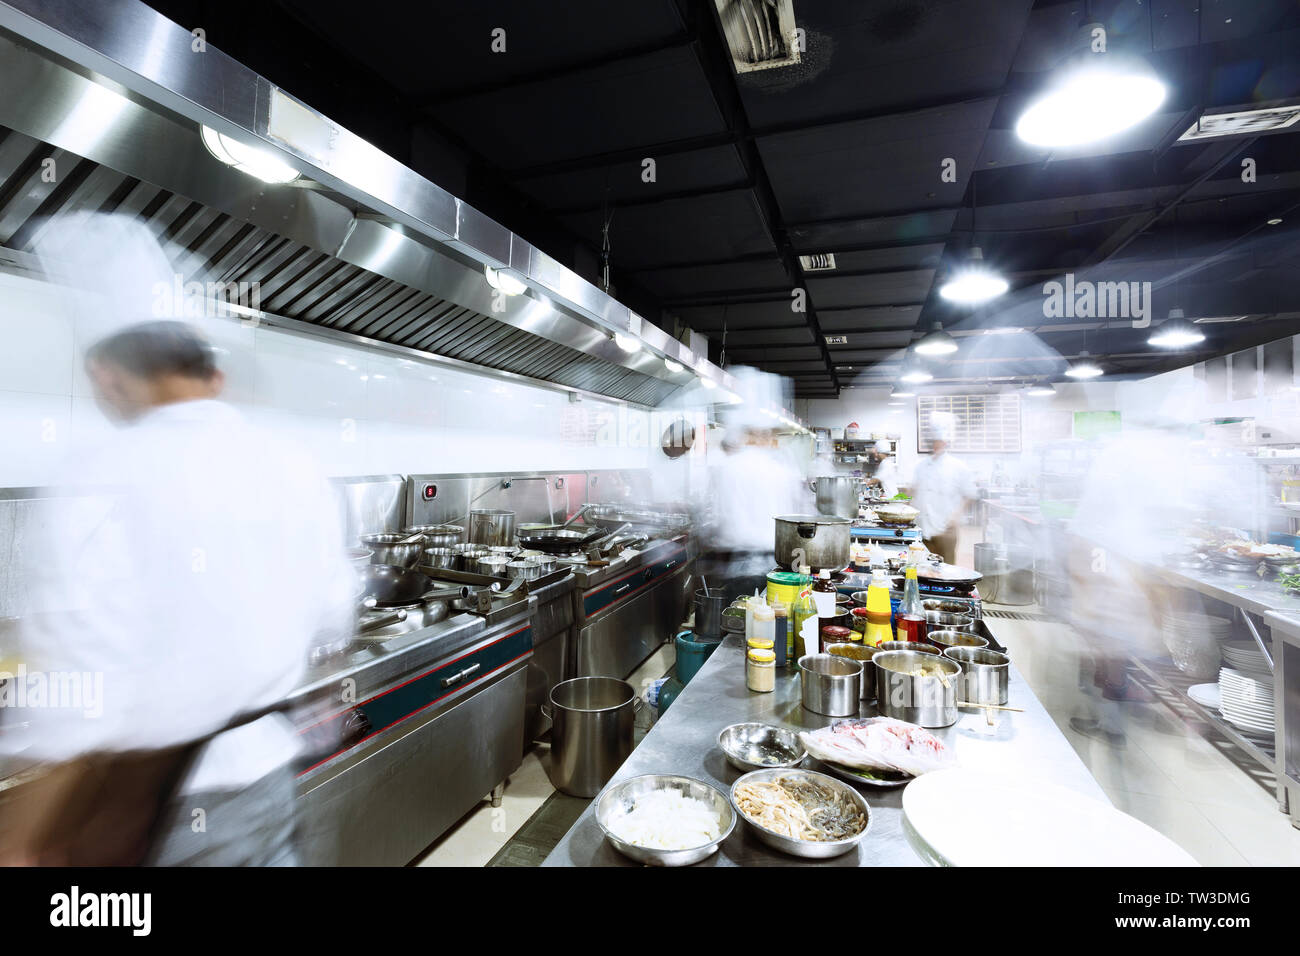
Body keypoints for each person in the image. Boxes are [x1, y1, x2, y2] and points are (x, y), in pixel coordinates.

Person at [2, 321, 354, 865]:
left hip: (163, 804)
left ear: (108, 377)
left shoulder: (105, 471)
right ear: (214, 377)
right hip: (269, 780)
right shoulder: (290, 462)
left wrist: (23, 837)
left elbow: (82, 689)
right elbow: (333, 618)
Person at [910, 413, 976, 565]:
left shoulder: (958, 466)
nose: (935, 445)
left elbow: (970, 494)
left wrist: (956, 515)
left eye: (939, 442)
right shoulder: (921, 466)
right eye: (933, 441)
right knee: (922, 568)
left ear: (946, 443)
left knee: (946, 571)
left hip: (945, 529)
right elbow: (913, 490)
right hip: (922, 528)